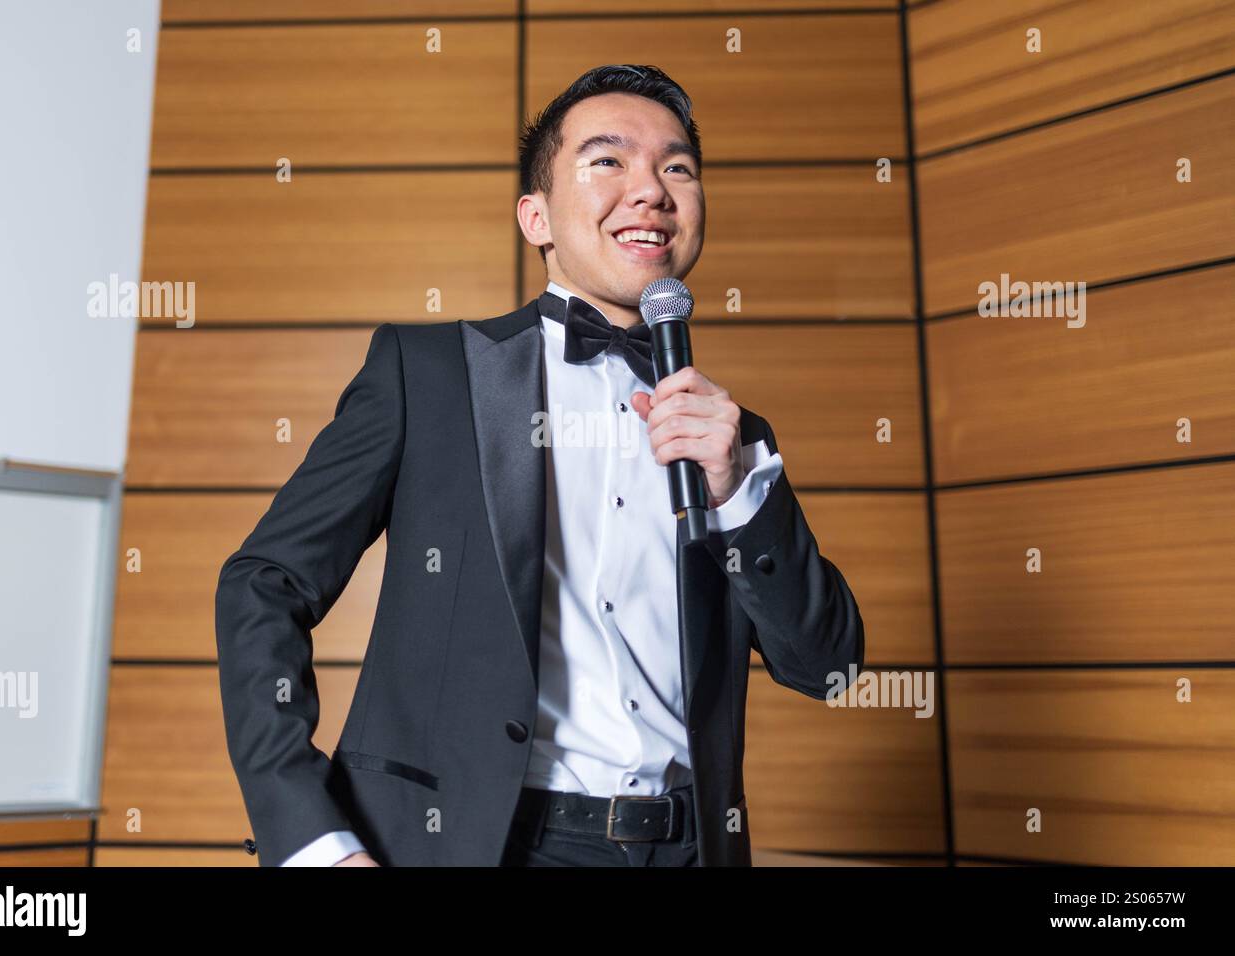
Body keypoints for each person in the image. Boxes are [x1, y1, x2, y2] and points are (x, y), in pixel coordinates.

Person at [215, 63, 864, 868]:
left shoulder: (731, 436)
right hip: (480, 845)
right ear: (536, 217)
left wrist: (737, 492)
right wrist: (311, 838)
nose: (652, 191)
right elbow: (263, 584)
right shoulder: (428, 375)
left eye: (677, 169)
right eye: (608, 161)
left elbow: (828, 669)